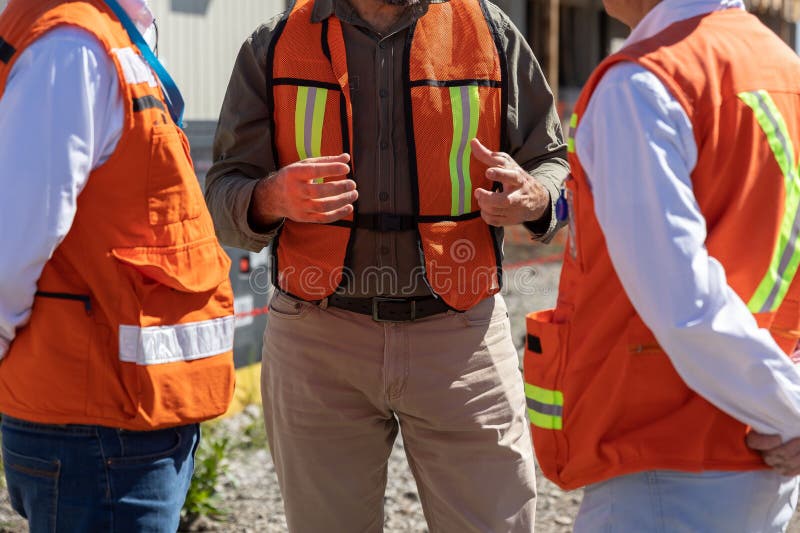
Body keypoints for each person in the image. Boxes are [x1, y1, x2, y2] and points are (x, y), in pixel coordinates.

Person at [205, 0, 568, 530]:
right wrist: (268, 197)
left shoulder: (487, 30)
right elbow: (222, 191)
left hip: (461, 341)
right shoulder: (277, 42)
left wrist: (536, 198)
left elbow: (552, 163)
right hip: (317, 345)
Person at [523, 0, 800, 529]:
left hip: (661, 456)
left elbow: (682, 302)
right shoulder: (783, 67)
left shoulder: (642, 84)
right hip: (761, 454)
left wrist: (790, 411)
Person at [0, 0, 236, 530]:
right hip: (97, 425)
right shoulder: (72, 47)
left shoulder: (104, 37)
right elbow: (15, 231)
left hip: (121, 417)